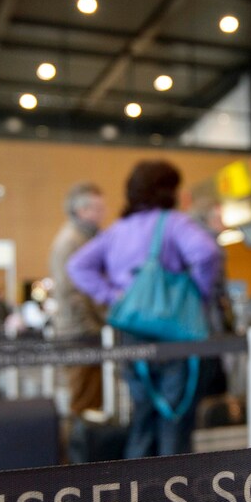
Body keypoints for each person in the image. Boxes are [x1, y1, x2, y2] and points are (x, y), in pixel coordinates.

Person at [69, 161, 221, 458]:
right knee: (174, 417)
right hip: (174, 332)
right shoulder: (174, 222)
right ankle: (176, 490)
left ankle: (137, 492)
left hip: (131, 332)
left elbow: (77, 265)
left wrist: (113, 296)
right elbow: (206, 252)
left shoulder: (116, 231)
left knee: (143, 413)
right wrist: (197, 293)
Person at [49, 183, 108, 415]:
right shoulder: (70, 241)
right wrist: (95, 325)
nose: (103, 213)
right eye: (98, 208)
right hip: (79, 332)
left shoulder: (86, 238)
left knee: (91, 397)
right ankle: (80, 449)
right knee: (84, 399)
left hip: (87, 330)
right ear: (81, 210)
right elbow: (71, 293)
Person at [188, 195, 233, 398]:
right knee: (213, 382)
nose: (223, 224)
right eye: (219, 218)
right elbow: (216, 291)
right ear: (208, 219)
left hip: (189, 327)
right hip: (207, 326)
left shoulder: (187, 242)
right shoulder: (211, 247)